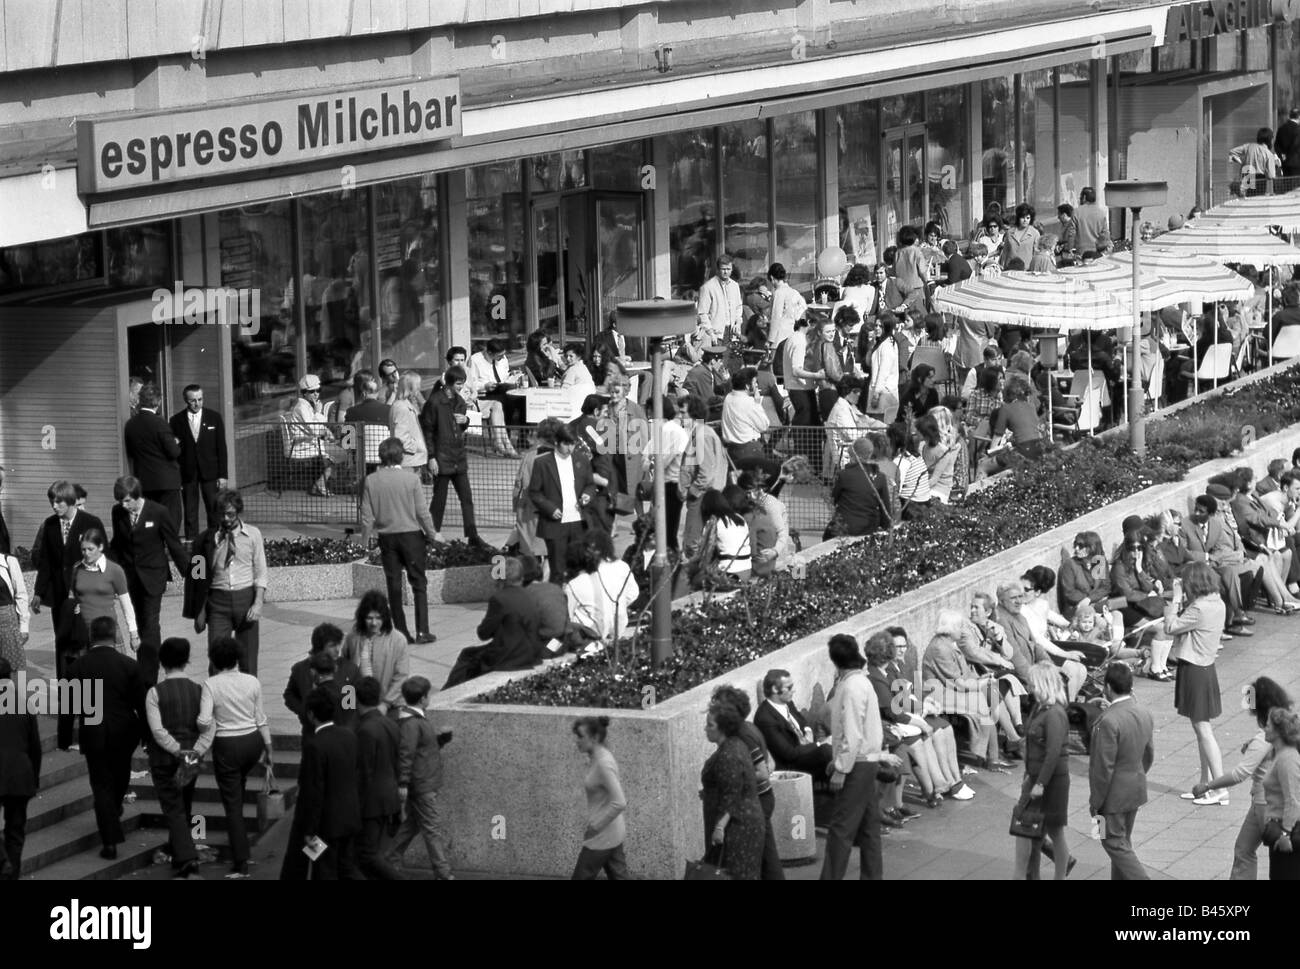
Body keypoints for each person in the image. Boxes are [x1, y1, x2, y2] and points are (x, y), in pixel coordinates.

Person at [821, 633, 904, 880]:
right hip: (866, 763)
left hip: (856, 766)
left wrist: (840, 768)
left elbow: (852, 733)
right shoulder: (863, 682)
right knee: (869, 830)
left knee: (840, 830)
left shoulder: (850, 686)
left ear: (835, 661)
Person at [1192, 676, 1291, 879]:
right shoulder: (1285, 728)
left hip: (1264, 805)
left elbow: (1240, 774)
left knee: (1258, 855)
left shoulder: (1263, 738)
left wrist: (1208, 786)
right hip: (1266, 803)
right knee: (1244, 850)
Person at [31, 481, 105, 748]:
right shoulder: (51, 525)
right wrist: (39, 592)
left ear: (71, 502)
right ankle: (68, 711)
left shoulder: (90, 522)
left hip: (85, 600)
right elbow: (47, 564)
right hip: (61, 601)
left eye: (59, 502)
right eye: (52, 502)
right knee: (63, 652)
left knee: (86, 651)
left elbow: (100, 563)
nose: (54, 506)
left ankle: (90, 715)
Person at [67, 616, 146, 860]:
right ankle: (113, 817)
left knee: (100, 784)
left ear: (91, 637)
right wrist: (147, 736)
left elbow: (70, 708)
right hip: (125, 731)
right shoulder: (129, 666)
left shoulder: (77, 668)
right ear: (114, 636)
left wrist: (64, 738)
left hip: (93, 731)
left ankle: (109, 839)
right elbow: (141, 704)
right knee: (120, 776)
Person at [199, 634, 272, 878]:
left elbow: (203, 720)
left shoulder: (211, 685)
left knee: (232, 804)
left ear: (215, 661)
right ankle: (242, 843)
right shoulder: (252, 682)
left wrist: (201, 727)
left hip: (227, 745)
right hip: (253, 743)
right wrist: (268, 746)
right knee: (238, 788)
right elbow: (260, 717)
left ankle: (240, 860)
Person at [144, 637, 213, 879]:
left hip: (165, 759)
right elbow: (209, 727)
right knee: (184, 803)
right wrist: (194, 751)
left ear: (162, 662)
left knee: (173, 808)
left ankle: (186, 859)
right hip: (192, 757)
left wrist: (176, 750)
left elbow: (158, 730)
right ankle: (179, 851)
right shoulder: (199, 690)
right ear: (187, 661)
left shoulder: (155, 693)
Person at [109, 475, 188, 685]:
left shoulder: (158, 512)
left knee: (150, 624)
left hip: (153, 577)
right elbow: (117, 544)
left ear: (137, 496)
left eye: (127, 501)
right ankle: (144, 665)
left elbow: (174, 546)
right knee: (137, 623)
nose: (124, 505)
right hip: (130, 577)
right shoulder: (117, 512)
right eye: (120, 501)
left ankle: (148, 675)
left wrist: (194, 576)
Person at [360, 437, 438, 644]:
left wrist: (364, 540)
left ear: (381, 456)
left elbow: (367, 517)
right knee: (419, 583)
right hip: (411, 536)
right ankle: (423, 630)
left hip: (387, 538)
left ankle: (402, 632)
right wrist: (432, 533)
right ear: (401, 456)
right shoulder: (411, 479)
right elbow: (422, 512)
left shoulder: (371, 480)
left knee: (393, 585)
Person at [1162, 562, 1228, 807]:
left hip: (1194, 669)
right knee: (1202, 730)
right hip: (1205, 667)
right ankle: (1205, 784)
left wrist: (1175, 599)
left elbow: (1170, 627)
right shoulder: (1217, 602)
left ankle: (1220, 786)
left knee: (1203, 730)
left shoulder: (1199, 608)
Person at [184, 489, 267, 675]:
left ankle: (248, 701)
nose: (226, 518)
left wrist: (258, 602)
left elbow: (261, 571)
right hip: (218, 603)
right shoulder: (205, 539)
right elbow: (196, 578)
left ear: (238, 512)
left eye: (230, 514)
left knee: (248, 661)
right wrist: (198, 610)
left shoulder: (253, 535)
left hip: (245, 600)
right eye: (222, 514)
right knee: (216, 659)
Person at [1088, 663, 1155, 880]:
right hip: (1135, 788)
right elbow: (1149, 753)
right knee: (1123, 841)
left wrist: (1095, 802)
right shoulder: (1144, 712)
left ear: (1107, 687)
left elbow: (1102, 768)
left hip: (1112, 796)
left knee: (1112, 842)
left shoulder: (1107, 720)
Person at [388, 675, 455, 880]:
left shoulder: (414, 719)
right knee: (432, 829)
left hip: (423, 782)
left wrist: (440, 739)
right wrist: (404, 782)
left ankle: (390, 859)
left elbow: (420, 748)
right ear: (423, 698)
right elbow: (406, 754)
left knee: (413, 825)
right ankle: (443, 873)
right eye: (429, 694)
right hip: (422, 784)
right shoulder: (412, 723)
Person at [292, 687, 362, 879]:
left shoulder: (314, 745)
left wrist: (309, 831)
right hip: (350, 817)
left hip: (325, 825)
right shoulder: (349, 736)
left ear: (311, 714)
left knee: (323, 870)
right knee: (347, 867)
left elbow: (314, 792)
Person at [1012, 661, 1071, 879]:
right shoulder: (1040, 708)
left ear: (1043, 684)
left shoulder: (1054, 713)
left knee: (1054, 831)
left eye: (1032, 684)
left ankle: (1059, 877)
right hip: (1037, 778)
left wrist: (1039, 784)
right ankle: (1032, 875)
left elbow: (1053, 753)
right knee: (1031, 832)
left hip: (1051, 783)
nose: (1029, 689)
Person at [421, 365, 490, 550]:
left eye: (462, 383)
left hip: (458, 457)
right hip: (442, 457)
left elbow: (459, 426)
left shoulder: (459, 401)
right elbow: (427, 431)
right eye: (459, 383)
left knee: (466, 498)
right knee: (439, 499)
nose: (461, 387)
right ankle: (432, 534)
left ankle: (472, 535)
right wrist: (431, 457)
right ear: (450, 382)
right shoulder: (434, 402)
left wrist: (465, 421)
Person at [444, 557, 542, 687]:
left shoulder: (499, 599)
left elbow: (483, 633)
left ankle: (448, 692)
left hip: (509, 657)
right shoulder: (530, 594)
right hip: (531, 653)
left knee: (467, 655)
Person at [700, 697, 765, 880]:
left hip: (737, 827)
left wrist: (719, 827)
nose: (706, 729)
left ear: (722, 728)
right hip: (745, 820)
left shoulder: (728, 754)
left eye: (710, 725)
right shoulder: (736, 745)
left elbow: (731, 794)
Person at [530, 423, 598, 584]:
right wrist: (549, 508)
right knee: (558, 569)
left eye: (572, 444)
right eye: (566, 444)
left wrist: (587, 496)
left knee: (579, 568)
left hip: (579, 522)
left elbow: (590, 484)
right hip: (555, 524)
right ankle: (558, 601)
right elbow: (534, 492)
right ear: (556, 443)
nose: (570, 448)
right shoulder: (542, 463)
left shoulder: (581, 459)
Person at [1182, 494, 1256, 636]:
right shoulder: (1186, 524)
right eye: (1195, 509)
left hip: (1215, 562)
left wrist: (1217, 557)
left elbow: (1220, 546)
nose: (1196, 513)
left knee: (1230, 573)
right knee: (1220, 583)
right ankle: (1227, 624)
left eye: (1201, 511)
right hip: (1196, 565)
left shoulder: (1215, 524)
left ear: (1210, 514)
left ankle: (1238, 613)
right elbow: (1183, 551)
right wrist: (1206, 557)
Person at [352, 676, 403, 880]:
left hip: (372, 802)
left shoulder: (365, 730)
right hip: (388, 796)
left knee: (367, 855)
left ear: (356, 700)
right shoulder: (389, 723)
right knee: (370, 853)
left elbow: (364, 772)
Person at [168, 384, 228, 540]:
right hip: (187, 473)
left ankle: (214, 541)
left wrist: (223, 475)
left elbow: (221, 447)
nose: (197, 403)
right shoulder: (176, 421)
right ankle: (192, 546)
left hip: (210, 471)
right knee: (190, 512)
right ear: (186, 401)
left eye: (200, 399)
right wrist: (176, 476)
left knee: (213, 510)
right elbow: (174, 451)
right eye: (193, 400)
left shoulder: (214, 417)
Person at [571, 715, 628, 880]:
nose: (577, 740)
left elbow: (620, 802)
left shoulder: (603, 763)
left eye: (580, 736)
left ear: (594, 737)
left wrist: (595, 826)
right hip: (612, 832)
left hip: (601, 836)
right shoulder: (598, 757)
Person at [0, 656, 40, 880]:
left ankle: (3, 860)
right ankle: (10, 874)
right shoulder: (23, 704)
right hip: (21, 775)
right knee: (15, 831)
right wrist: (34, 778)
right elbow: (35, 747)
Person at [69, 527, 139, 654]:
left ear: (100, 547)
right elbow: (73, 595)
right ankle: (21, 675)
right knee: (86, 673)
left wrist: (133, 634)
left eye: (91, 549)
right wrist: (74, 605)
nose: (86, 553)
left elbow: (126, 604)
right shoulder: (76, 568)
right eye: (83, 549)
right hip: (83, 630)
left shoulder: (115, 570)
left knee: (113, 672)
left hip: (107, 631)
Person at [283, 623, 360, 739]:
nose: (337, 650)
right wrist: (304, 712)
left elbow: (354, 706)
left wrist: (349, 730)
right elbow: (290, 695)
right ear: (320, 647)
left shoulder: (350, 670)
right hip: (312, 734)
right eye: (332, 646)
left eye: (338, 644)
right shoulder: (300, 670)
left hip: (342, 734)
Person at [124, 382, 183, 528]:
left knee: (150, 522)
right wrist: (175, 442)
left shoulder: (131, 424)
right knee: (170, 521)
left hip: (145, 481)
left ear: (140, 400)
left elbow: (131, 452)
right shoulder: (160, 423)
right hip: (167, 481)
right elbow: (173, 452)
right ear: (158, 401)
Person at [754, 669, 833, 778]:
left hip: (805, 751)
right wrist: (819, 744)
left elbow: (802, 721)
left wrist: (808, 731)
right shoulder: (765, 718)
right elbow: (789, 754)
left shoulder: (787, 702)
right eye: (789, 688)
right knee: (826, 751)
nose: (794, 690)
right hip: (791, 765)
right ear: (775, 689)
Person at [564, 531, 638, 647]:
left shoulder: (576, 583)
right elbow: (633, 593)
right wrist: (620, 604)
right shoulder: (622, 565)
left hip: (589, 637)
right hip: (619, 626)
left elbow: (567, 617)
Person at [677, 395, 728, 557]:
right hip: (703, 495)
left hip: (701, 496)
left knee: (693, 543)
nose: (679, 416)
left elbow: (706, 472)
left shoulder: (702, 435)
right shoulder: (701, 433)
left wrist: (692, 491)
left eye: (683, 412)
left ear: (694, 414)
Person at [341, 591, 411, 708]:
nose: (374, 623)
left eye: (378, 618)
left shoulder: (398, 640)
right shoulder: (352, 638)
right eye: (369, 618)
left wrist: (386, 703)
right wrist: (347, 705)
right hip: (360, 705)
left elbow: (401, 676)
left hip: (390, 706)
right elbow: (344, 671)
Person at [720, 367, 783, 492]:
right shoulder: (749, 402)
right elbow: (764, 425)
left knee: (736, 487)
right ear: (748, 386)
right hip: (750, 449)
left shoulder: (728, 398)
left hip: (733, 450)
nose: (756, 385)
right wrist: (757, 403)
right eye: (754, 382)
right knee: (753, 488)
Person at [825, 436, 892, 540]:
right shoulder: (880, 476)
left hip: (845, 525)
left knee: (827, 536)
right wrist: (886, 527)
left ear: (853, 455)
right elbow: (885, 506)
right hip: (869, 526)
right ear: (869, 454)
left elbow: (834, 499)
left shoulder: (844, 474)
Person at [1262, 706, 1300, 880]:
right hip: (1278, 831)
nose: (1265, 728)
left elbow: (1293, 800)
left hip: (1287, 834)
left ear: (1278, 731)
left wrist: (1285, 834)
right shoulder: (1279, 754)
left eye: (1268, 725)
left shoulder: (1287, 759)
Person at [287, 374, 341, 497]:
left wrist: (326, 432)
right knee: (337, 454)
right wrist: (318, 413)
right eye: (312, 391)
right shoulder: (302, 408)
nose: (316, 394)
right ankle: (320, 484)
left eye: (318, 390)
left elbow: (318, 427)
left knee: (337, 450)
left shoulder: (307, 406)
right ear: (304, 393)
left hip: (309, 442)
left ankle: (319, 483)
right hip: (302, 445)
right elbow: (314, 429)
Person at [343, 372, 395, 475]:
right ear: (377, 393)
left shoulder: (351, 412)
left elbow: (347, 441)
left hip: (361, 458)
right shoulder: (389, 410)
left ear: (364, 393)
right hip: (384, 457)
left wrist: (351, 457)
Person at [782, 315, 824, 428]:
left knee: (810, 421)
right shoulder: (800, 341)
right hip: (800, 388)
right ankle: (800, 445)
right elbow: (796, 370)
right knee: (804, 421)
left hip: (799, 387)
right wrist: (817, 375)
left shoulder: (793, 338)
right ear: (809, 323)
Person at [1058, 531, 1111, 620]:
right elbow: (1070, 593)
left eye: (1081, 546)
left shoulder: (1098, 561)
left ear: (1092, 548)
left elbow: (1105, 587)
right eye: (1075, 545)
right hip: (1077, 608)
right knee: (1100, 619)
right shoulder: (1070, 564)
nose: (1076, 549)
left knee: (1121, 605)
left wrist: (1090, 599)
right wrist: (1088, 599)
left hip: (1096, 603)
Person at [696, 254, 743, 342]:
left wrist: (738, 322)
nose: (726, 272)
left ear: (732, 269)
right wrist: (710, 333)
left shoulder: (735, 286)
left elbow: (738, 307)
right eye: (723, 269)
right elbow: (702, 313)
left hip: (731, 333)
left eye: (728, 269)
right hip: (715, 334)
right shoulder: (707, 287)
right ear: (718, 269)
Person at [0, 541, 29, 674]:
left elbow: (21, 594)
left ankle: (10, 694)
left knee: (8, 667)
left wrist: (24, 626)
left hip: (7, 622)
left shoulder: (8, 561)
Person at [391, 373, 430, 470]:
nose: (419, 388)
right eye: (417, 385)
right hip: (409, 461)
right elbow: (401, 436)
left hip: (412, 459)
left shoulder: (405, 404)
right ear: (410, 387)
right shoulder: (401, 407)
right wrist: (417, 447)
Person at [1229, 127, 1281, 196]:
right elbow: (1271, 176)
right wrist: (1276, 166)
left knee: (1246, 198)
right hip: (1259, 179)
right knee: (1256, 200)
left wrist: (1241, 162)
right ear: (1270, 140)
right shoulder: (1269, 154)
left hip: (1247, 174)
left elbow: (1232, 152)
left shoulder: (1248, 146)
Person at [766, 262, 806, 349]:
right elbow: (803, 307)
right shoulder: (793, 292)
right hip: (791, 332)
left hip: (779, 335)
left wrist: (770, 339)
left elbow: (776, 316)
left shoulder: (778, 293)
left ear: (772, 278)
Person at [1074, 187, 1112, 255]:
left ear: (1084, 197)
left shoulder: (1076, 212)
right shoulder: (1101, 213)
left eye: (1080, 197)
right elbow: (1105, 234)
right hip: (1097, 251)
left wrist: (1069, 248)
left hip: (1081, 251)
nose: (1079, 199)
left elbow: (1072, 233)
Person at [1275, 107, 1300, 178]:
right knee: (1296, 187)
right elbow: (1296, 145)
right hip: (1297, 163)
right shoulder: (1298, 129)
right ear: (1298, 117)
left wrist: (1282, 156)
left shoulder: (1281, 128)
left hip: (1285, 163)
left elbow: (1276, 145)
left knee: (1287, 185)